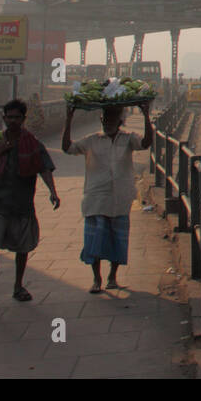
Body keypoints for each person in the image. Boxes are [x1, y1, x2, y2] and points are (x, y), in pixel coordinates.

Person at [0, 99, 60, 313]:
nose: (13, 121)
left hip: (23, 202)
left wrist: (53, 192)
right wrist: (0, 152)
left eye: (17, 118)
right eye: (10, 118)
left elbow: (44, 167)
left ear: (23, 119)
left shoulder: (32, 143)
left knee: (22, 248)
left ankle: (18, 286)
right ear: (4, 119)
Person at [62, 102, 154, 293]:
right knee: (94, 240)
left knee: (117, 239)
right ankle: (97, 279)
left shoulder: (128, 139)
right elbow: (67, 148)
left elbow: (146, 143)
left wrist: (146, 116)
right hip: (96, 197)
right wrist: (69, 119)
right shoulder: (91, 140)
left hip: (120, 197)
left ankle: (112, 277)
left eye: (112, 119)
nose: (108, 123)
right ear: (101, 120)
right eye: (105, 119)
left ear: (120, 121)